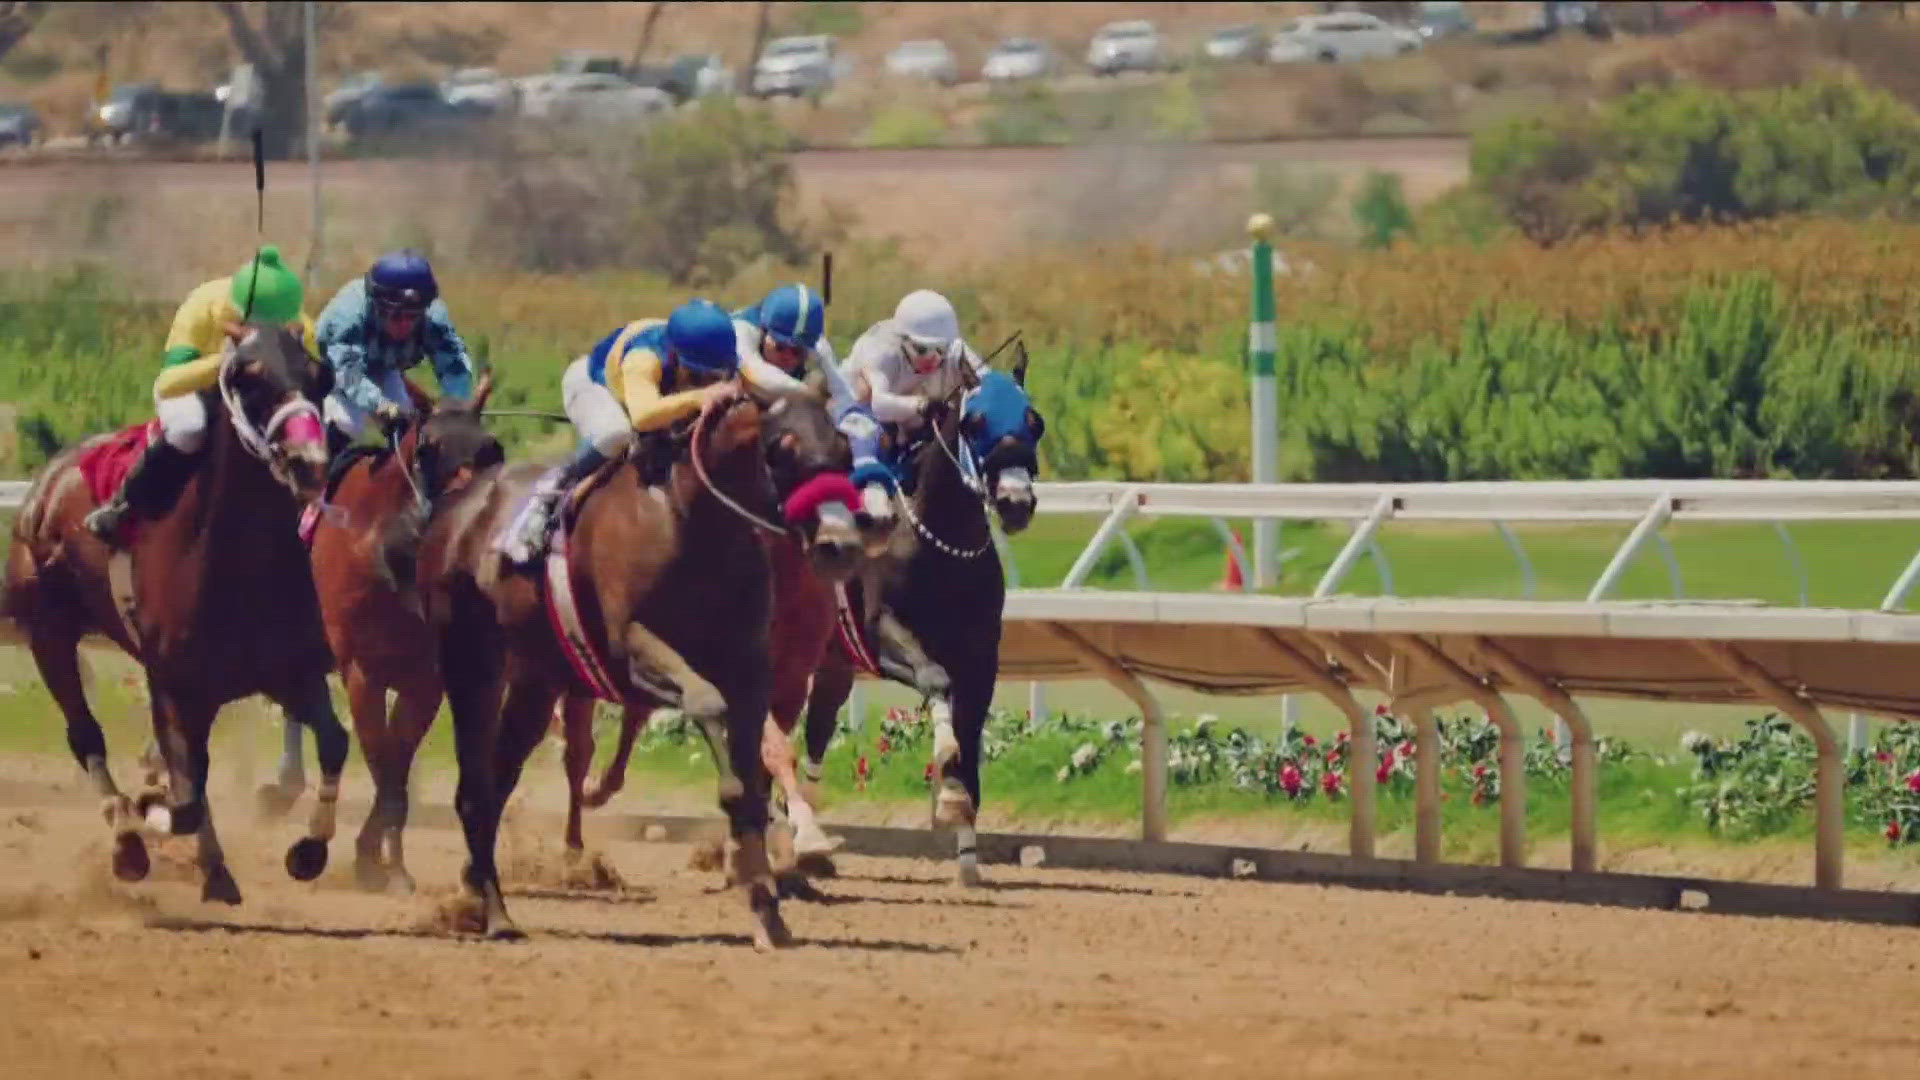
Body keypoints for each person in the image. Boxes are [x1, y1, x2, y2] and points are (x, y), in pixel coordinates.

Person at [83, 244, 316, 545]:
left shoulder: (299, 322)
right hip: (195, 391)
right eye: (260, 321)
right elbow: (169, 382)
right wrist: (228, 360)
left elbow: (311, 380)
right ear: (241, 307)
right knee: (188, 427)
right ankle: (125, 506)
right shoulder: (203, 304)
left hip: (258, 400)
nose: (269, 330)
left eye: (276, 323)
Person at [499, 298, 743, 566]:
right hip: (594, 385)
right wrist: (700, 396)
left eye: (716, 377)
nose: (709, 383)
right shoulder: (644, 359)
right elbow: (643, 416)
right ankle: (543, 501)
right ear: (674, 357)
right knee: (616, 433)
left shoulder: (713, 355)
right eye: (697, 376)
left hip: (645, 394)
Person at [837, 288, 988, 516]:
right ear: (902, 339)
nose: (932, 358)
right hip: (861, 427)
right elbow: (879, 405)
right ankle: (871, 497)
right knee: (869, 425)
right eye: (921, 349)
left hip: (912, 433)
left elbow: (988, 386)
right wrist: (922, 404)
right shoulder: (880, 350)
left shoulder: (955, 351)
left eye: (941, 349)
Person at [313, 249, 474, 457]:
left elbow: (455, 367)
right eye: (396, 316)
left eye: (413, 316)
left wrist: (453, 405)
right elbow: (350, 376)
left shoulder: (434, 318)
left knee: (407, 428)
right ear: (377, 305)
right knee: (347, 423)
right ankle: (318, 483)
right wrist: (380, 404)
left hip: (383, 366)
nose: (405, 324)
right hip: (331, 369)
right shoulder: (349, 317)